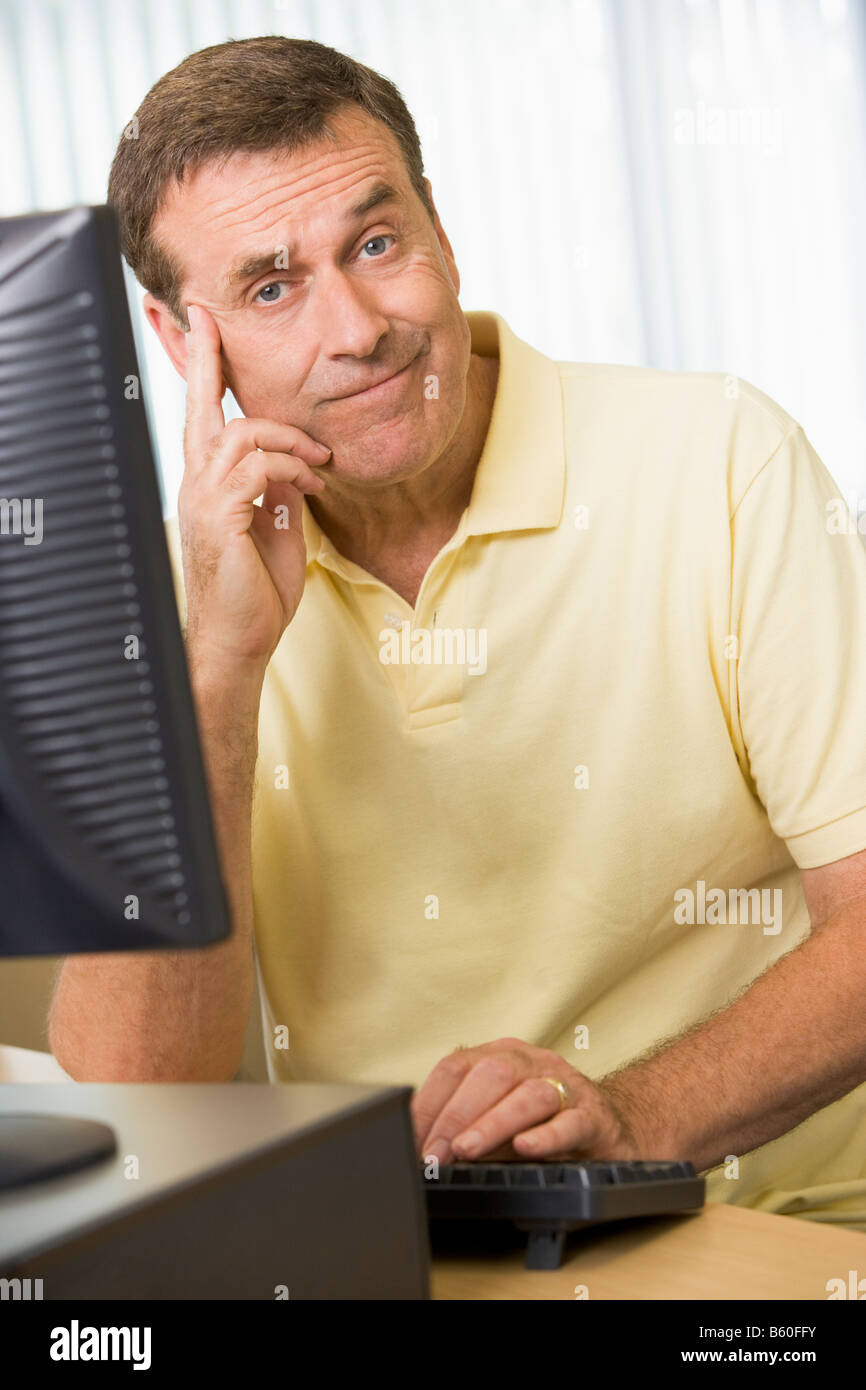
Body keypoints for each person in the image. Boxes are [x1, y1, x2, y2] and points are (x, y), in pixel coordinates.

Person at [50, 35, 866, 1230]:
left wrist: (629, 1123)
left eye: (375, 244)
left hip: (756, 1228)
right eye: (272, 286)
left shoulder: (721, 461)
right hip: (378, 1246)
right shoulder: (180, 601)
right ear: (182, 344)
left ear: (437, 226)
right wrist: (215, 678)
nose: (358, 327)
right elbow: (129, 1096)